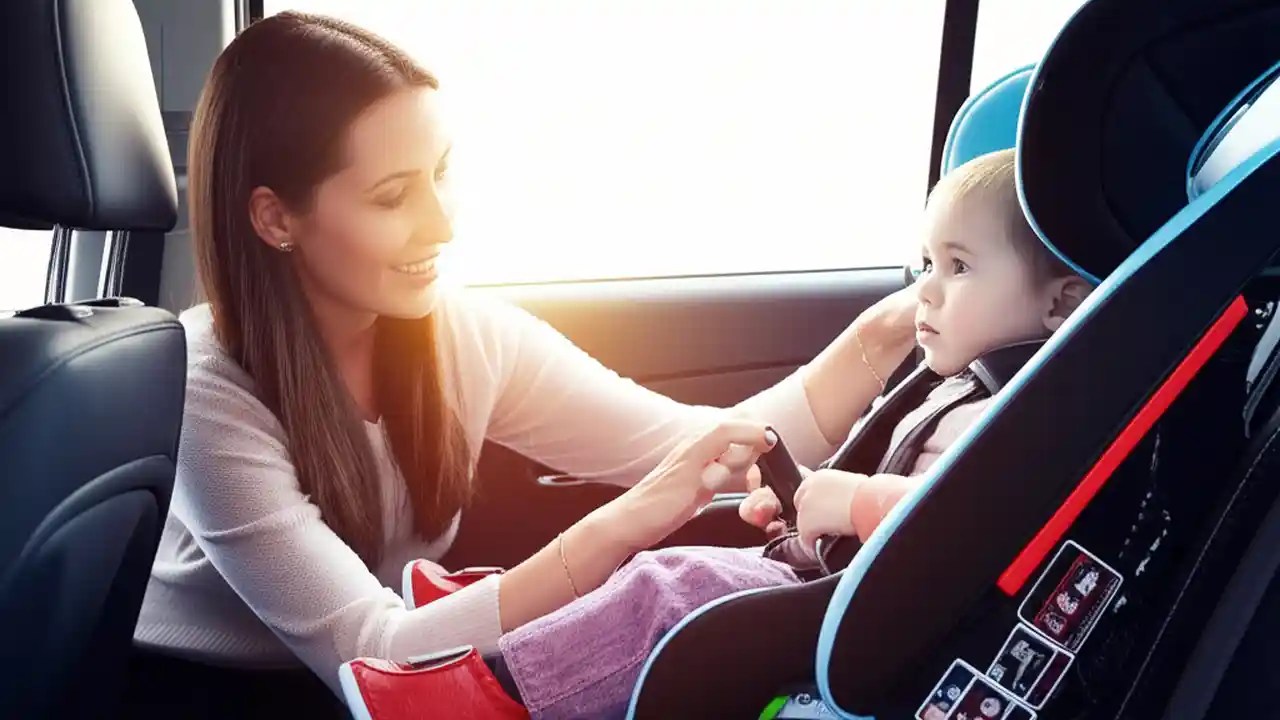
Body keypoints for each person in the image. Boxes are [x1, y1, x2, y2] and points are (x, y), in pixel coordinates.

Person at [120, 12, 919, 719]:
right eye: (394, 196)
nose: (442, 223)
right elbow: (374, 652)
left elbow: (708, 443)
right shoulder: (206, 389)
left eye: (440, 175)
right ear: (275, 217)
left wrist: (892, 332)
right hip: (212, 694)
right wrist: (632, 521)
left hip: (395, 682)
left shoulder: (458, 336)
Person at [341, 148, 1092, 719]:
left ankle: (497, 697)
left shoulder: (1013, 420)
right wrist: (807, 497)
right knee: (657, 557)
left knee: (670, 588)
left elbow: (959, 528)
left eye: (958, 268)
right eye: (927, 261)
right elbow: (875, 467)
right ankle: (487, 628)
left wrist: (854, 502)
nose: (924, 288)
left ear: (1059, 307)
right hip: (825, 569)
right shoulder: (953, 380)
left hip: (858, 607)